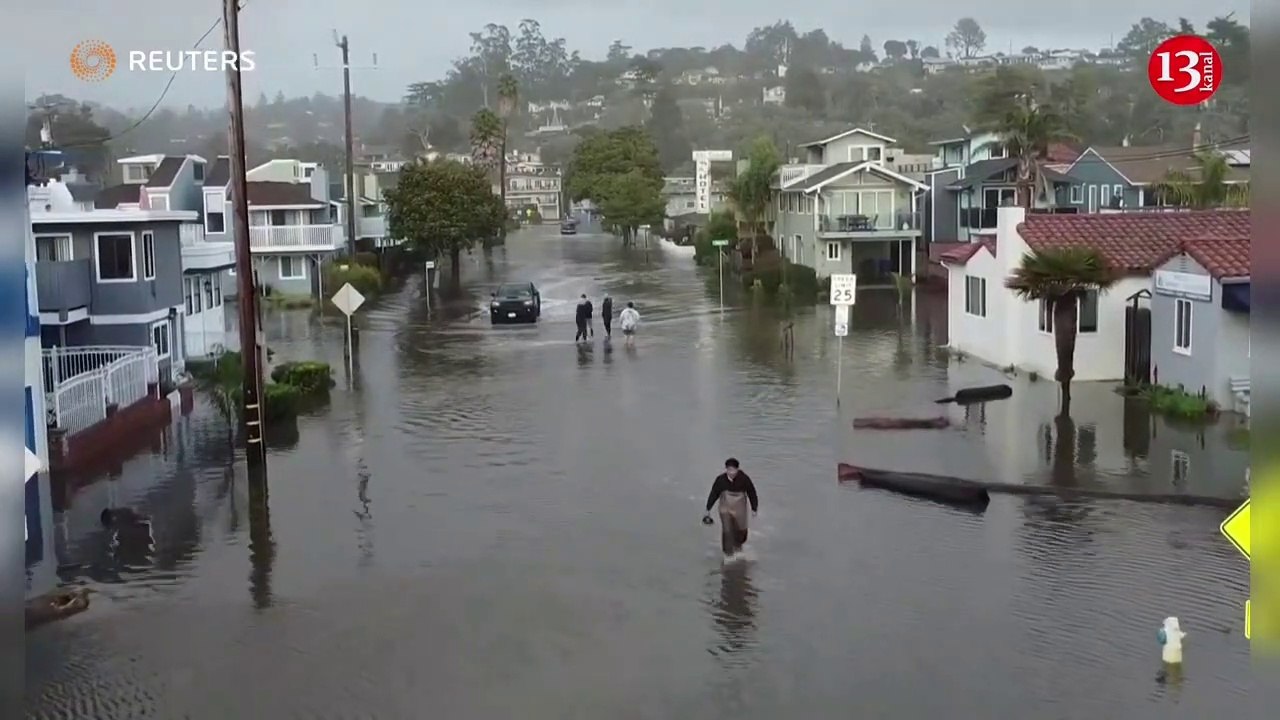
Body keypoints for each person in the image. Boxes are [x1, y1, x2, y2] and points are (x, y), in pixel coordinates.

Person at [703, 458, 759, 557]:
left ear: (737, 469)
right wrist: (708, 509)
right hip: (725, 508)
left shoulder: (744, 479)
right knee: (727, 530)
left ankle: (738, 546)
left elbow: (752, 493)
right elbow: (714, 494)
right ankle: (728, 554)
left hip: (740, 508)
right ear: (726, 469)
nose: (731, 472)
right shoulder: (721, 480)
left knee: (741, 530)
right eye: (729, 470)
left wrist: (754, 508)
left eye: (733, 470)